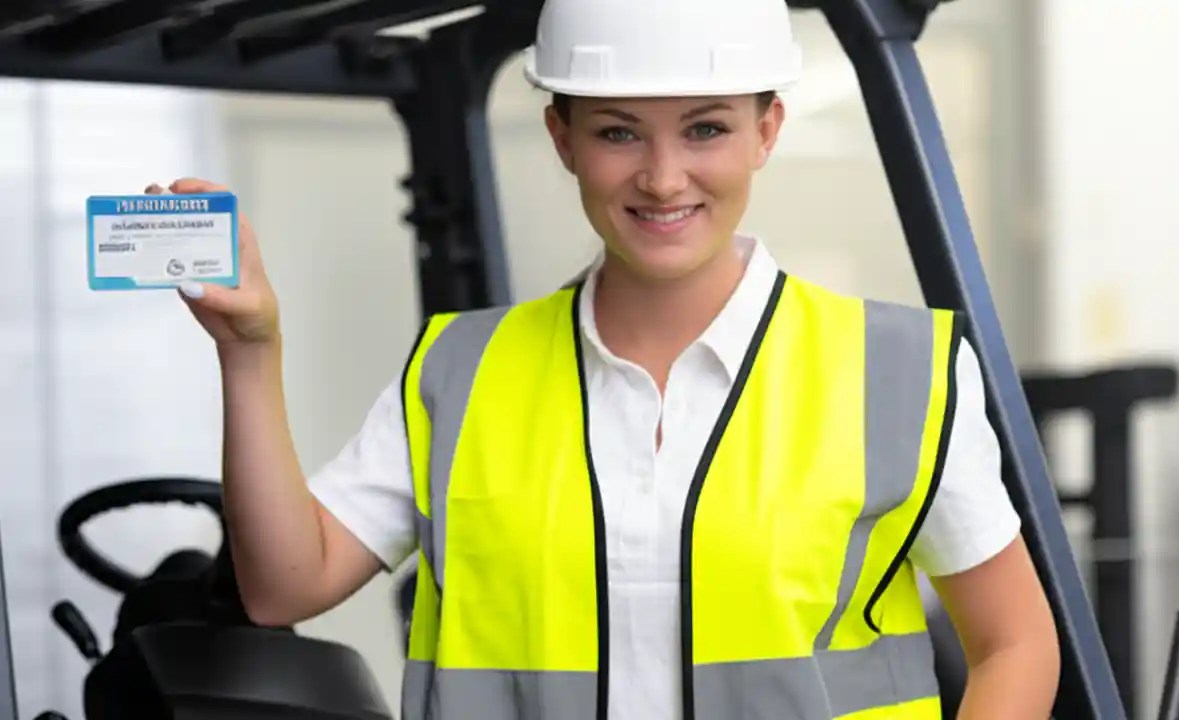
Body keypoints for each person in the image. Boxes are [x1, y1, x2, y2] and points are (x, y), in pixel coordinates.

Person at [153, 0, 1060, 717]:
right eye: (619, 132)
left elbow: (1017, 645)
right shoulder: (462, 373)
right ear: (563, 140)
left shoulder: (898, 369)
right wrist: (250, 353)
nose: (664, 178)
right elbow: (283, 588)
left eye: (705, 129)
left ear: (767, 131)